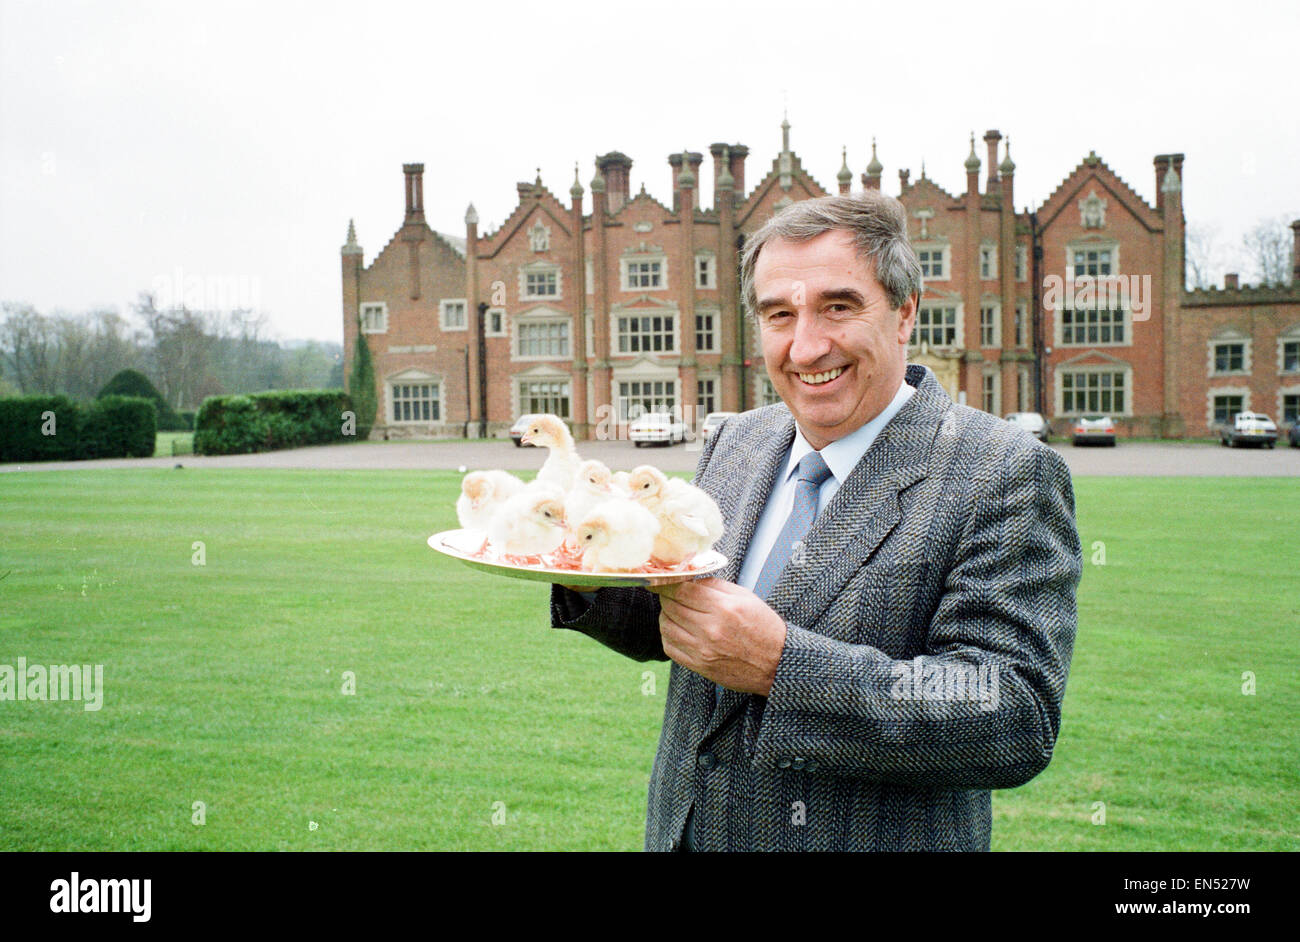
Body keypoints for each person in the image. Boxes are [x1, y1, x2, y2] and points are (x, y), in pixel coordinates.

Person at [550, 191, 1081, 852]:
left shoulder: (1002, 471)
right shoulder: (737, 442)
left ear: (904, 312)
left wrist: (781, 665)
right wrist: (585, 565)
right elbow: (684, 622)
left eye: (838, 307)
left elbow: (1012, 714)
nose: (805, 347)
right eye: (780, 314)